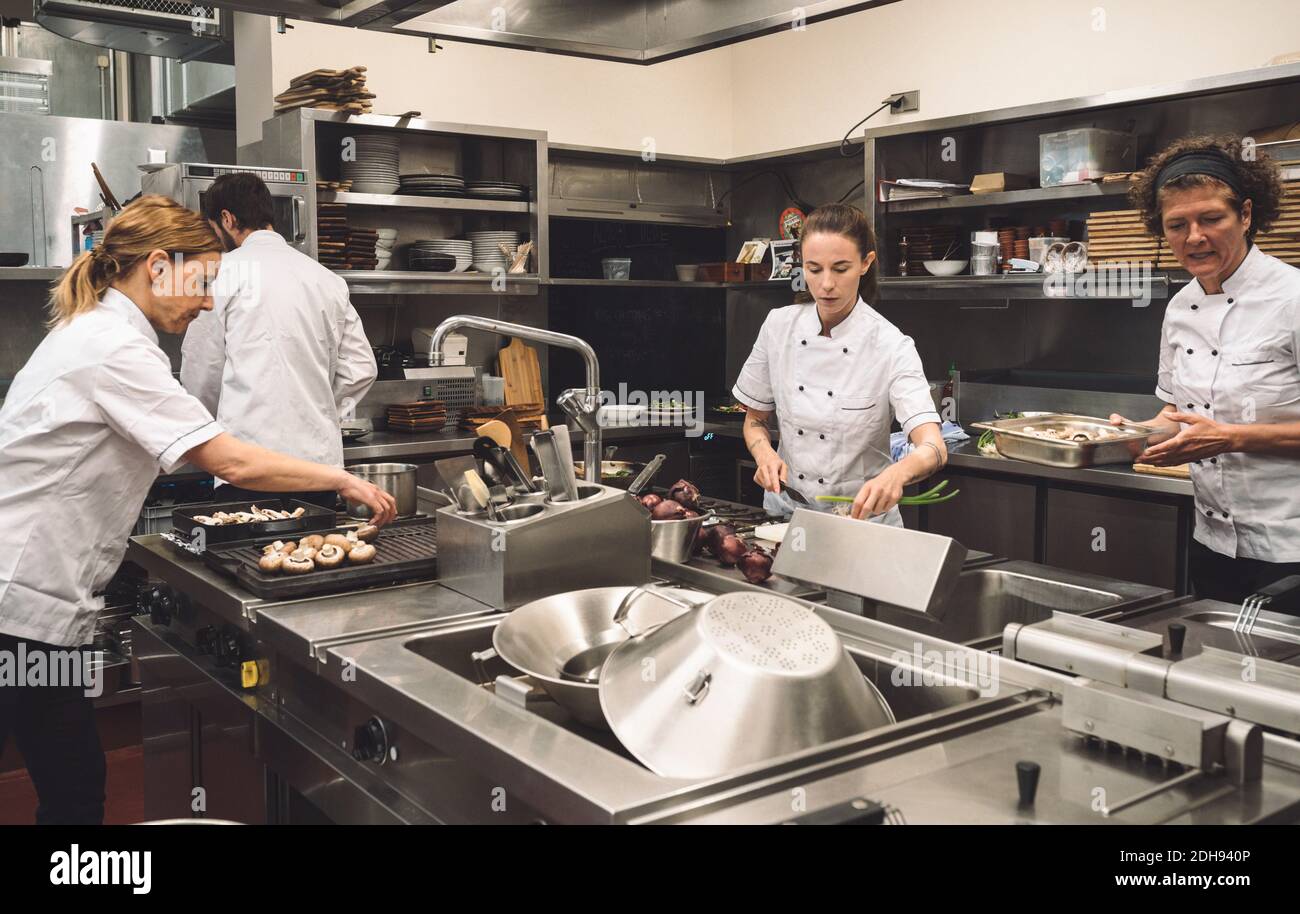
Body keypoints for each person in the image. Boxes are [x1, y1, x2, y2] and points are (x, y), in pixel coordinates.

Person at [0, 196, 396, 824]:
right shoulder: (111, 347)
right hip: (18, 602)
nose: (209, 301)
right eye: (204, 281)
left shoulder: (99, 333)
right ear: (159, 265)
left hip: (33, 599)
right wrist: (340, 477)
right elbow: (229, 462)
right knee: (73, 788)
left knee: (68, 780)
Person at [1113, 135, 1300, 605]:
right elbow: (1175, 414)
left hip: (1291, 548)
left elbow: (1218, 433)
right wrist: (1127, 436)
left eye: (1211, 218)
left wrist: (1232, 437)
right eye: (1177, 224)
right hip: (1213, 541)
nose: (1194, 236)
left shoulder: (1291, 298)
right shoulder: (1179, 308)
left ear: (1247, 215)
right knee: (1215, 670)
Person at [732, 203, 946, 524]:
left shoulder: (890, 345)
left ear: (865, 263)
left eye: (840, 268)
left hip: (861, 522)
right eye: (814, 269)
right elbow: (755, 421)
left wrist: (897, 474)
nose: (826, 284)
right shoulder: (778, 327)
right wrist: (765, 455)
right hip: (786, 515)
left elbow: (933, 447)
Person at [182, 172, 378, 508]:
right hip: (319, 468)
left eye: (214, 227)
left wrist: (219, 425)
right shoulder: (326, 279)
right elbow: (362, 367)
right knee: (314, 555)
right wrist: (315, 405)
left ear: (227, 219)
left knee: (246, 559)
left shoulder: (219, 273)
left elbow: (202, 373)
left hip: (248, 465)